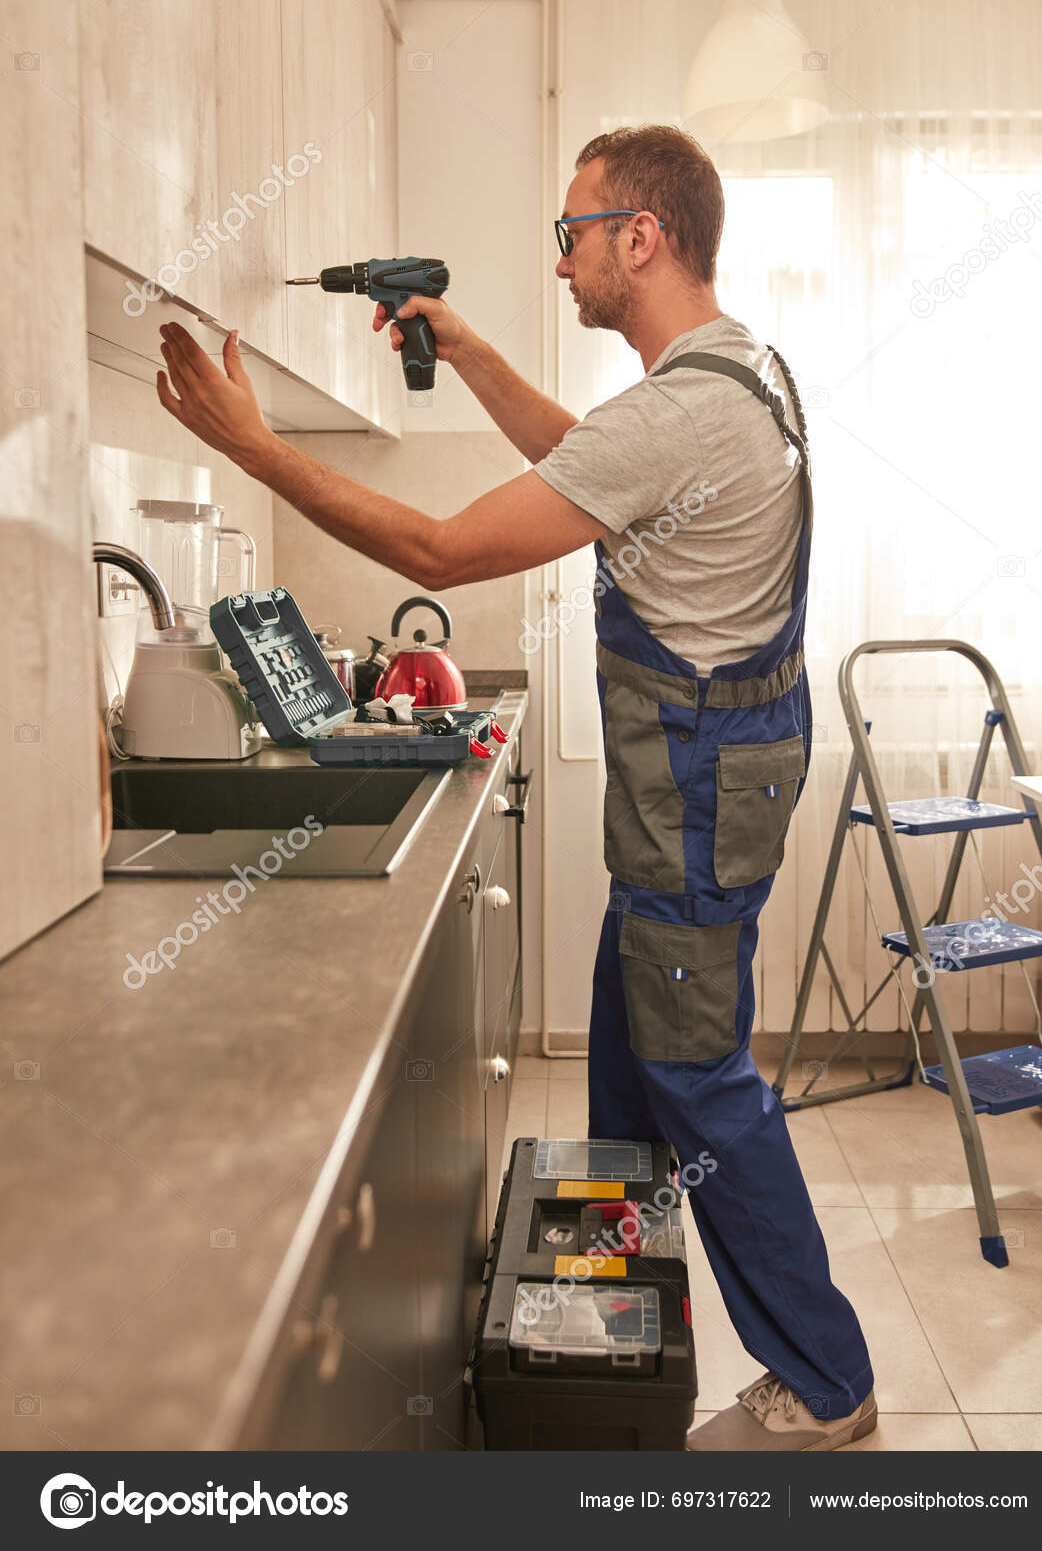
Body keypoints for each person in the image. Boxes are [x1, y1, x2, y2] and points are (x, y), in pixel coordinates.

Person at [155, 122, 876, 1452]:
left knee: (702, 1078)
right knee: (631, 1053)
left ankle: (829, 1383)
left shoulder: (686, 406)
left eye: (573, 231)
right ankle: (606, 1316)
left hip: (701, 792)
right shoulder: (734, 377)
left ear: (638, 239)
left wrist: (252, 447)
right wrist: (469, 344)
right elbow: (582, 468)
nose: (563, 260)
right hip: (712, 784)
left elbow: (440, 542)